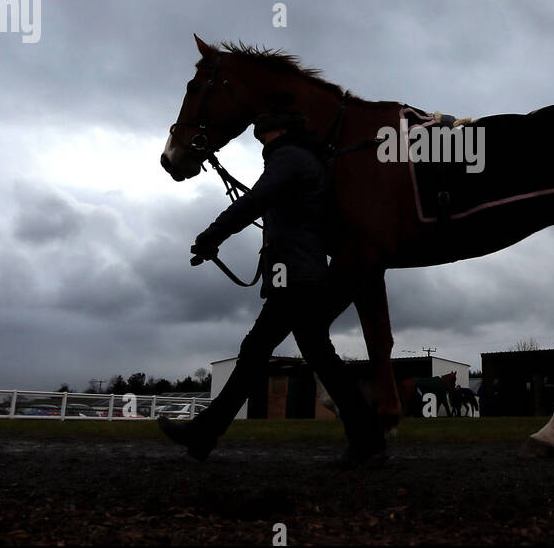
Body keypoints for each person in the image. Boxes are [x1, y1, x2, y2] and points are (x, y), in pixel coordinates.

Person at [159, 107, 387, 468]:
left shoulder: (289, 157)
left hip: (294, 274)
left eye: (262, 131)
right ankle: (368, 436)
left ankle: (205, 432)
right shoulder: (304, 158)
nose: (259, 137)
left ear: (276, 130)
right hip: (301, 271)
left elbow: (254, 201)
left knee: (256, 351)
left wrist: (211, 235)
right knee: (312, 353)